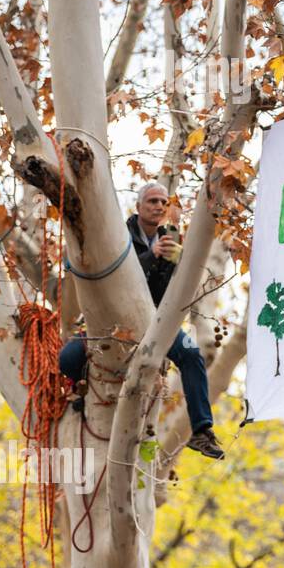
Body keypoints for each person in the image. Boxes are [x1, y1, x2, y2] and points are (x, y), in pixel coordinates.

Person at [58, 182, 225, 459]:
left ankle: (201, 430)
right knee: (68, 358)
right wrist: (152, 255)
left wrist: (178, 263)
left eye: (162, 202)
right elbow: (115, 277)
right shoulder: (118, 236)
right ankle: (83, 391)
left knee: (192, 355)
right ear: (138, 207)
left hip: (154, 318)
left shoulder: (170, 237)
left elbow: (169, 290)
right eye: (152, 201)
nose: (159, 206)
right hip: (113, 318)